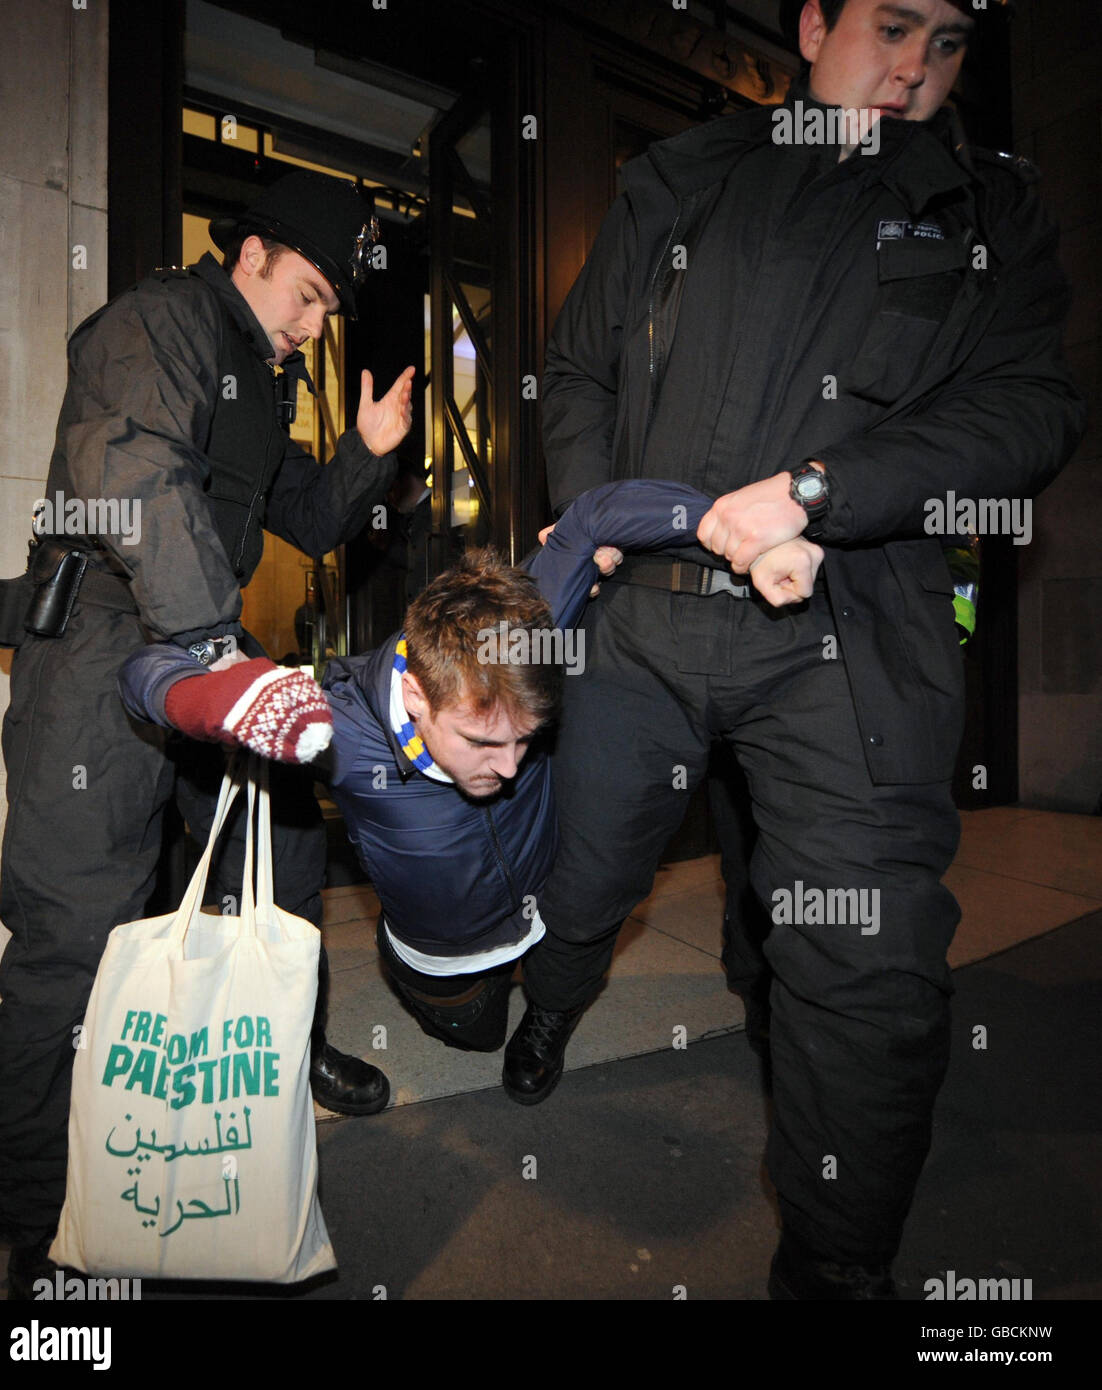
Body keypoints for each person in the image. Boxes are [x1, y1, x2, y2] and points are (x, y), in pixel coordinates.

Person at [510, 0, 1086, 1299]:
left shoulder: (986, 208)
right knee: (591, 864)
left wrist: (822, 487)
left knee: (865, 955)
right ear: (812, 21)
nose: (914, 66)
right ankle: (551, 997)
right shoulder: (683, 178)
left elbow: (1032, 406)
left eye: (945, 43)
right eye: (890, 25)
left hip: (848, 623)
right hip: (647, 616)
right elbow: (580, 366)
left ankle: (836, 1265)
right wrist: (597, 512)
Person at [0, 169, 415, 1298]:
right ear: (255, 252)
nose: (314, 326)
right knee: (75, 937)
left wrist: (366, 450)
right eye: (309, 295)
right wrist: (220, 659)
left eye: (329, 312)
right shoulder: (155, 323)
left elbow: (309, 521)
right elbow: (132, 478)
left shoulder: (265, 383)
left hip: (194, 654)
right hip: (103, 663)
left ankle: (284, 1045)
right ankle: (35, 1216)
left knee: (285, 859)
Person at [119, 481, 820, 1053]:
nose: (512, 769)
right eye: (483, 745)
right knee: (480, 1039)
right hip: (442, 952)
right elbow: (143, 671)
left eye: (527, 741)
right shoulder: (339, 728)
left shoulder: (524, 638)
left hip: (534, 905)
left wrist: (749, 534)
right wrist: (213, 698)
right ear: (418, 698)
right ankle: (408, 972)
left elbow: (592, 516)